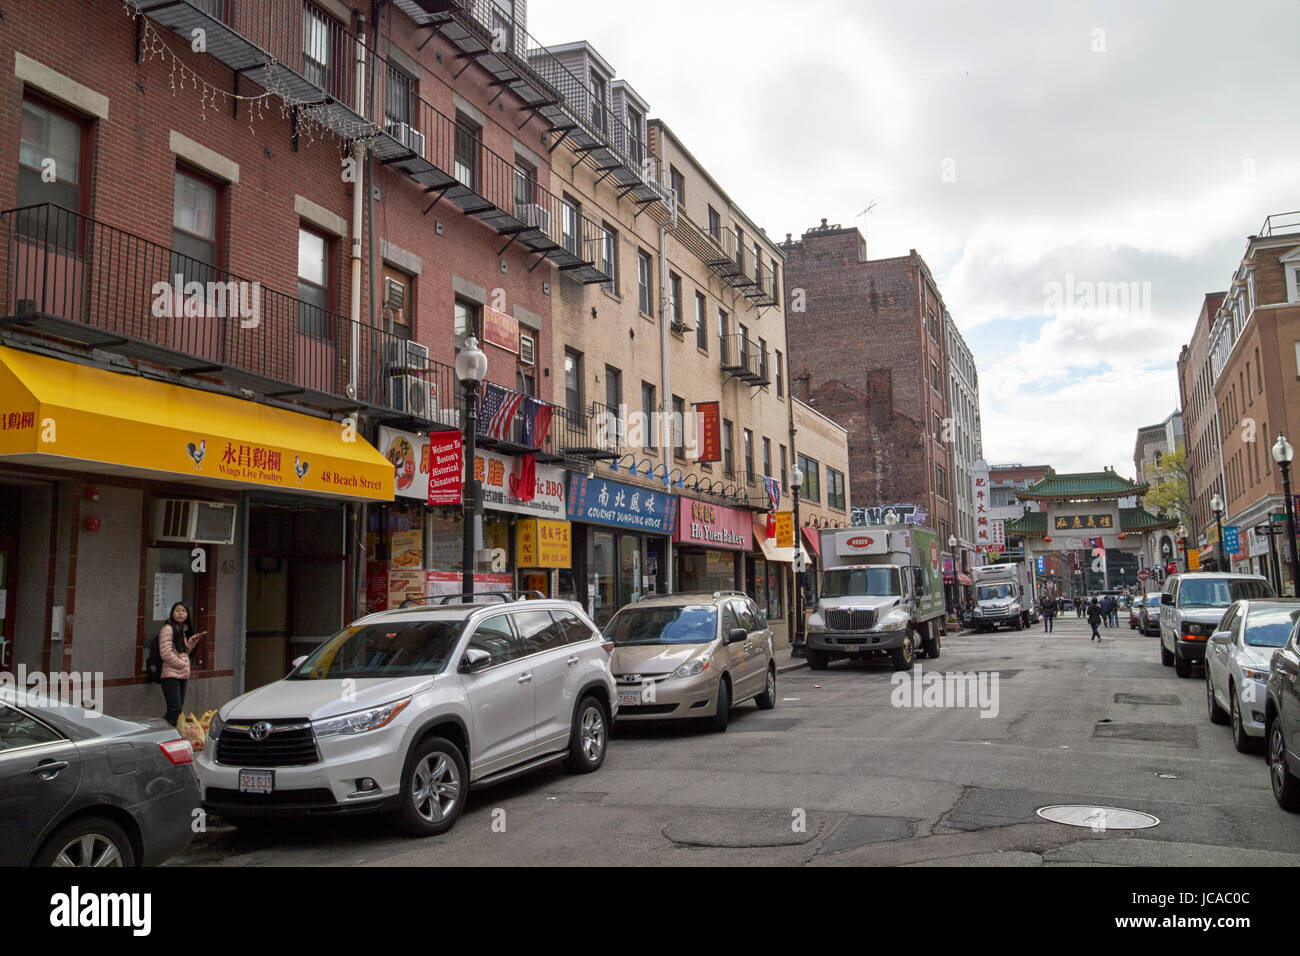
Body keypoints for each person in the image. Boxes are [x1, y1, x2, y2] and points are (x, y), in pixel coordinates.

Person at [159, 602, 205, 726]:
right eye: (177, 610)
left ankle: (169, 737)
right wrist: (181, 664)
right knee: (174, 711)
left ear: (187, 614)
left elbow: (182, 652)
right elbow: (165, 653)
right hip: (171, 675)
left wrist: (191, 643)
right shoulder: (168, 628)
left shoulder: (181, 630)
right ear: (172, 613)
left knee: (177, 712)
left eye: (183, 611)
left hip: (182, 675)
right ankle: (162, 735)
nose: (180, 613)